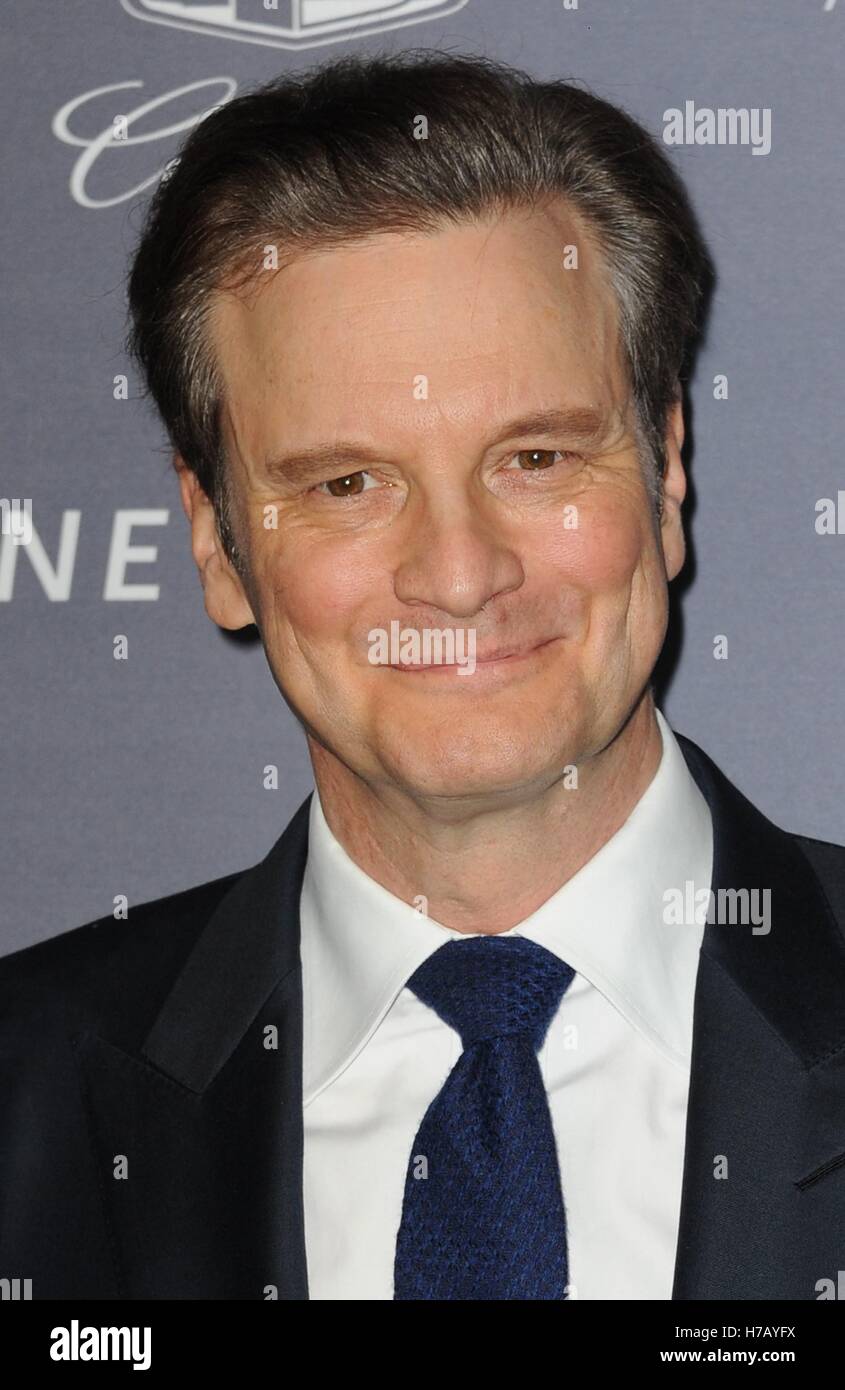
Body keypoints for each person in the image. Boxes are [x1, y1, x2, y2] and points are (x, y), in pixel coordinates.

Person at [2, 52, 843, 1302]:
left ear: (665, 467)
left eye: (537, 456)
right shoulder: (26, 1099)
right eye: (347, 483)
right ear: (214, 537)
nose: (457, 575)